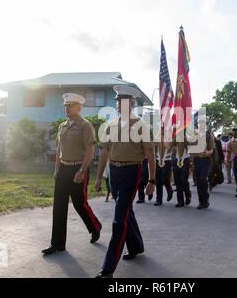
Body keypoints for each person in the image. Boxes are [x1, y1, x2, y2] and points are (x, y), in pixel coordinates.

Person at [94, 85, 156, 278]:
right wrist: (98, 177)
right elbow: (104, 152)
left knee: (119, 219)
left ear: (132, 104)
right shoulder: (110, 126)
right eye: (118, 102)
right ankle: (136, 246)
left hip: (132, 171)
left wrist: (152, 180)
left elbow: (150, 154)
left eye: (124, 102)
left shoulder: (142, 127)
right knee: (125, 210)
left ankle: (108, 269)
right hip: (114, 172)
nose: (120, 105)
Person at [42, 93, 102, 256]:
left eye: (70, 106)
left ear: (79, 107)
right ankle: (57, 244)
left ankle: (95, 226)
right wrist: (56, 169)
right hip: (63, 169)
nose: (66, 108)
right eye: (65, 106)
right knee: (59, 206)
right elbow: (59, 150)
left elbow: (90, 149)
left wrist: (82, 170)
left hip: (78, 169)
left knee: (79, 203)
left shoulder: (85, 125)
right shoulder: (62, 126)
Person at [190, 128, 215, 209]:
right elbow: (192, 151)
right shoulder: (194, 136)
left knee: (202, 179)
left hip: (206, 161)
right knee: (198, 181)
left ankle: (206, 198)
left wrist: (208, 152)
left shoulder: (209, 136)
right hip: (197, 161)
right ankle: (201, 202)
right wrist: (192, 162)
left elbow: (212, 149)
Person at [154, 133, 173, 206]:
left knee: (165, 179)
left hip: (167, 160)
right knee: (158, 180)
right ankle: (159, 199)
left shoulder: (170, 136)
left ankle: (169, 190)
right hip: (158, 160)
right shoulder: (157, 135)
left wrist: (163, 139)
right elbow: (153, 145)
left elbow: (168, 147)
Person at [172, 139, 191, 207]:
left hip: (185, 159)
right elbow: (170, 145)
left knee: (183, 180)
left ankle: (188, 195)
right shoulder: (176, 137)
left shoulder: (188, 136)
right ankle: (180, 201)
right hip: (176, 159)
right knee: (177, 181)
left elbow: (192, 144)